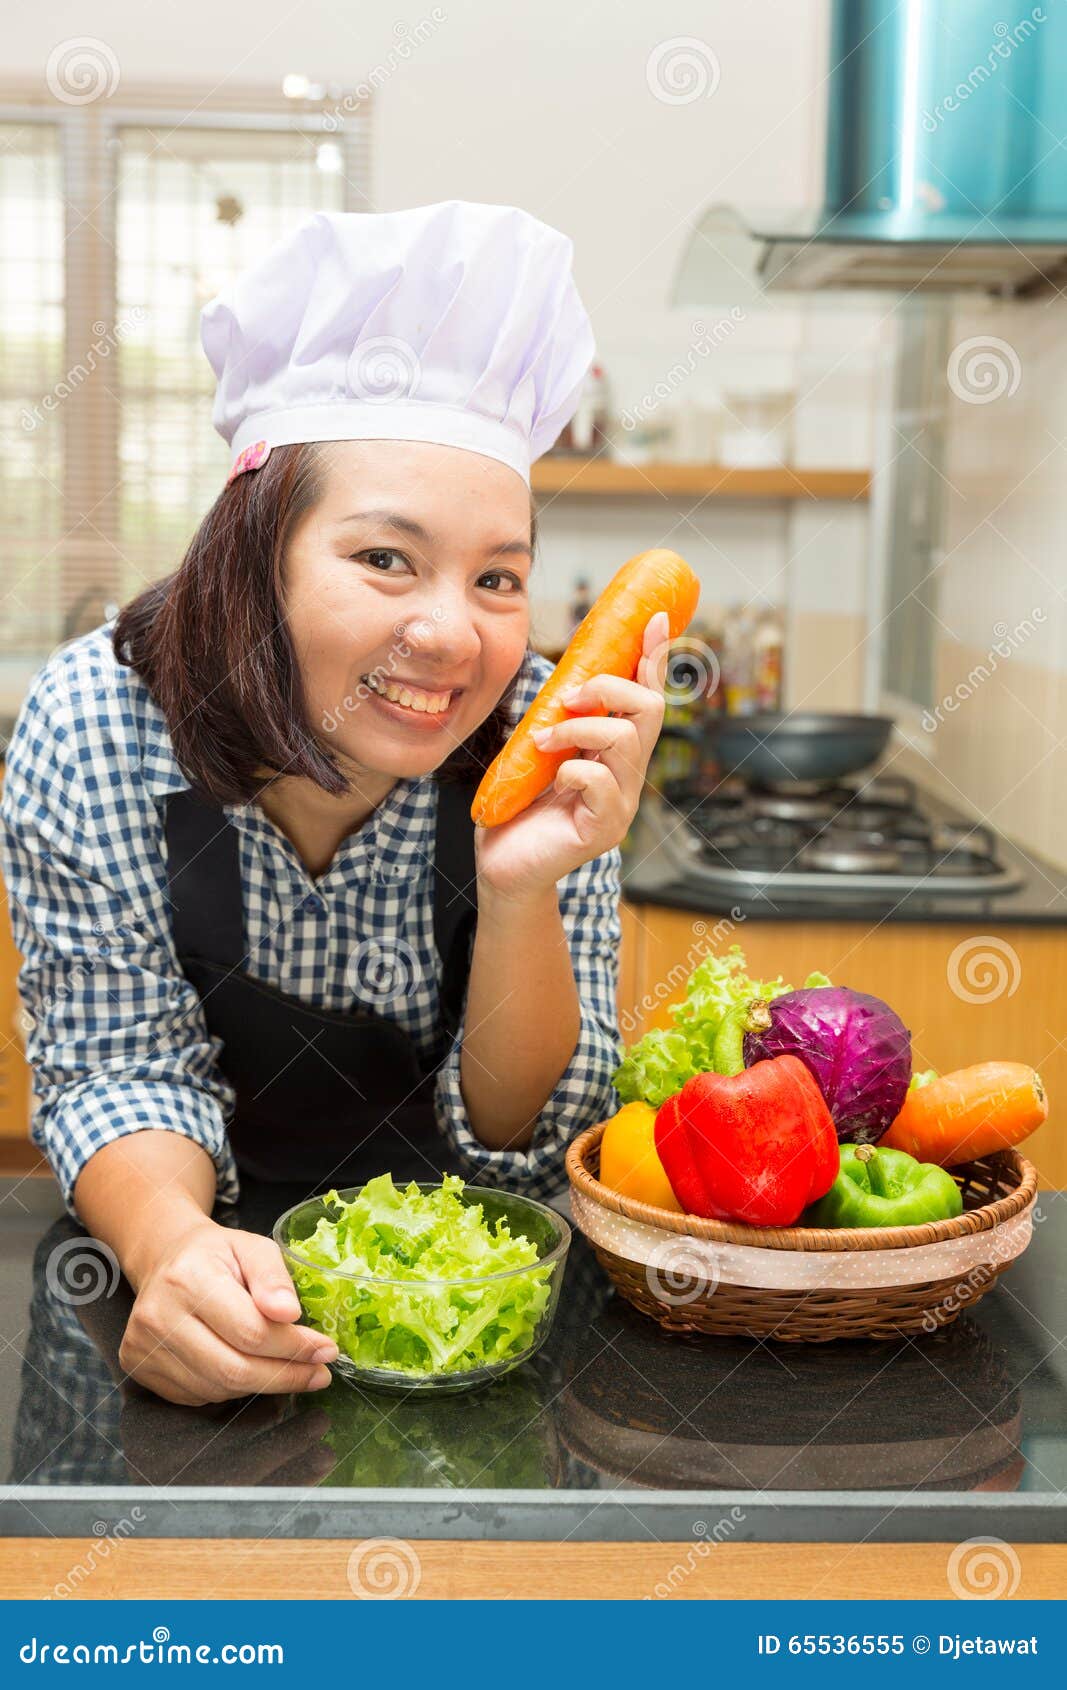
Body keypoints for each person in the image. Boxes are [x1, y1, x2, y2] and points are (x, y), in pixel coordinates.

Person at [0, 201, 670, 1407]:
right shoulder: (99, 722)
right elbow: (114, 1067)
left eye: (497, 576)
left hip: (472, 1308)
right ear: (256, 553)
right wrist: (170, 1251)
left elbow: (523, 1139)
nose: (450, 632)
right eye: (385, 558)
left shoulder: (542, 734)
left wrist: (521, 886)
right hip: (196, 1280)